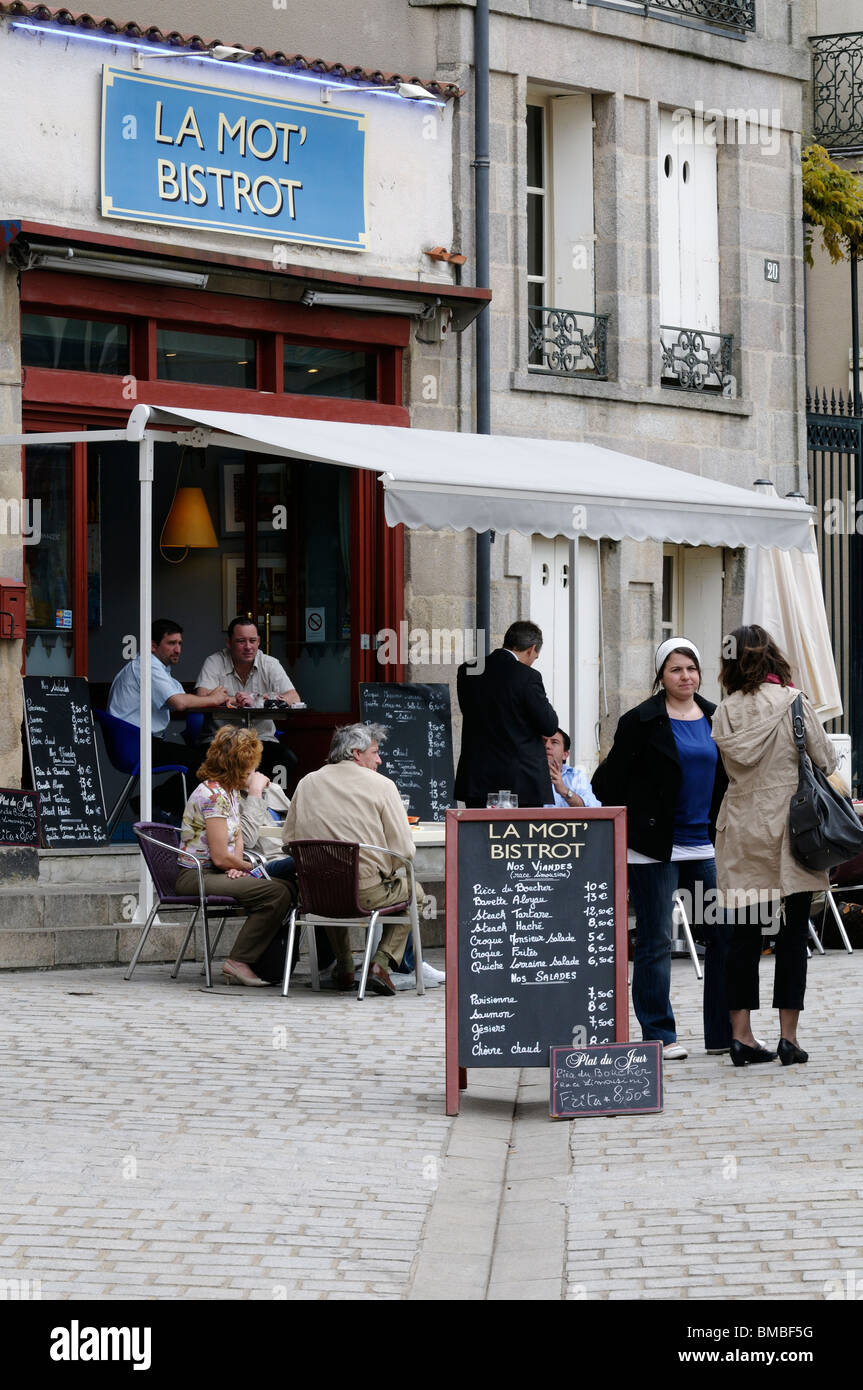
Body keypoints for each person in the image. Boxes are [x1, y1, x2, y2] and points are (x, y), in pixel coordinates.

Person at [591, 638, 729, 1061]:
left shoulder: (715, 716)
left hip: (704, 843)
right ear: (660, 676)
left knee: (721, 934)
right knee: (655, 940)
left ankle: (722, 1031)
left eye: (691, 668)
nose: (685, 676)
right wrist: (644, 810)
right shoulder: (641, 720)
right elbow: (607, 783)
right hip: (653, 848)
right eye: (675, 670)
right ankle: (660, 1034)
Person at [712, 624, 837, 1068]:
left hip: (742, 829)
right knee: (792, 934)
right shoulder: (794, 702)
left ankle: (742, 1036)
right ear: (772, 658)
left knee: (742, 939)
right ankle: (788, 1037)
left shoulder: (724, 711)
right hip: (789, 829)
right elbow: (827, 759)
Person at [282, 722, 423, 997]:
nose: (379, 759)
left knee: (334, 882)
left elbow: (288, 841)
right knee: (415, 893)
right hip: (365, 893)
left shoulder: (306, 781)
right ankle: (380, 965)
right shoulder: (382, 785)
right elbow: (405, 850)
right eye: (375, 751)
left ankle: (345, 966)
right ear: (356, 753)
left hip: (315, 895)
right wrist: (387, 873)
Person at [176, 726, 295, 987]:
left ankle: (258, 959)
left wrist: (238, 868)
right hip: (197, 875)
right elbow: (219, 856)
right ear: (237, 768)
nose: (254, 774)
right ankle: (238, 961)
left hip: (217, 871)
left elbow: (238, 838)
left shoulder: (228, 792)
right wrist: (246, 866)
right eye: (250, 769)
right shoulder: (213, 796)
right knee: (276, 892)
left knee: (284, 886)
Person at [107, 618, 231, 818]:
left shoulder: (159, 669)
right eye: (171, 643)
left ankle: (162, 806)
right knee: (207, 762)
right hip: (135, 745)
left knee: (204, 759)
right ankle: (162, 804)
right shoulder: (147, 666)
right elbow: (180, 703)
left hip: (138, 742)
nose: (178, 649)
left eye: (180, 643)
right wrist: (213, 699)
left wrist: (220, 697)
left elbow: (185, 698)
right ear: (153, 646)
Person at [455, 620, 558, 808]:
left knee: (479, 836)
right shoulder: (528, 677)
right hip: (520, 781)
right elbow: (549, 725)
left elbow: (468, 711)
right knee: (521, 837)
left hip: (477, 779)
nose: (532, 661)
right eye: (535, 656)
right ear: (531, 649)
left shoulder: (467, 670)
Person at [196, 618, 301, 778]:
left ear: (259, 641)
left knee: (286, 760)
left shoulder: (270, 664)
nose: (248, 647)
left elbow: (294, 697)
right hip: (221, 741)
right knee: (204, 763)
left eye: (252, 640)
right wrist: (235, 700)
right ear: (229, 643)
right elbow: (201, 697)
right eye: (240, 641)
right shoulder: (214, 662)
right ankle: (224, 803)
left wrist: (259, 699)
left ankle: (272, 802)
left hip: (260, 740)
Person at [543, 728, 602, 809]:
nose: (547, 746)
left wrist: (565, 791)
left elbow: (595, 809)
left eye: (554, 742)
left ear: (565, 754)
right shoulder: (525, 775)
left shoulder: (576, 777)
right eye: (543, 742)